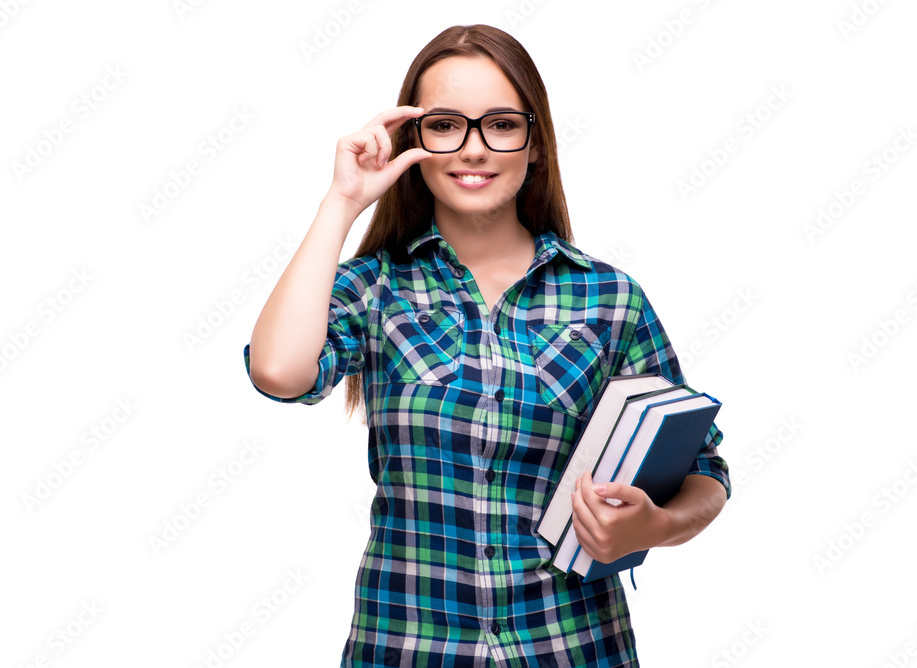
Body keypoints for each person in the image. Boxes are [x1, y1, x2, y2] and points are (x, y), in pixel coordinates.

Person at [243, 24, 730, 668]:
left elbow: (704, 469)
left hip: (573, 649)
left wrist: (653, 528)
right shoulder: (378, 288)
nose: (473, 149)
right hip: (408, 650)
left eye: (500, 124)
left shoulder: (610, 299)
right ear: (414, 143)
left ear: (535, 144)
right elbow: (278, 372)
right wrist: (343, 201)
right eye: (445, 125)